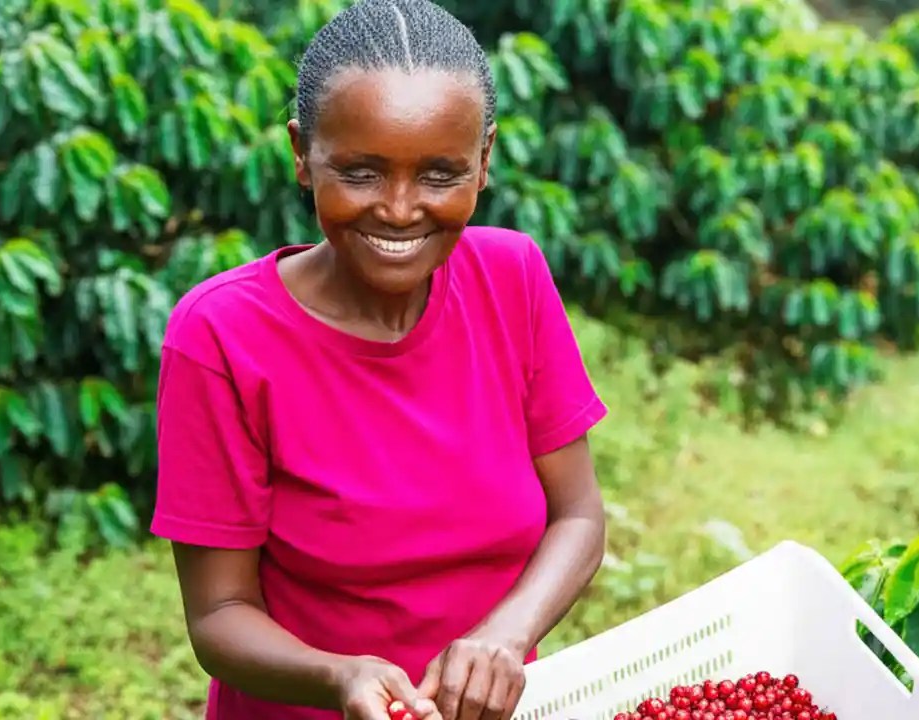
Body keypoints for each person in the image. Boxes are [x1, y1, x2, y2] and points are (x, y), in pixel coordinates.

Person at [148, 1, 610, 719]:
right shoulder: (221, 335)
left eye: (439, 175)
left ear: (484, 161)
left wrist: (503, 638)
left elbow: (577, 515)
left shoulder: (511, 278)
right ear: (302, 154)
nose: (398, 210)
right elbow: (219, 614)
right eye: (360, 173)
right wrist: (341, 678)